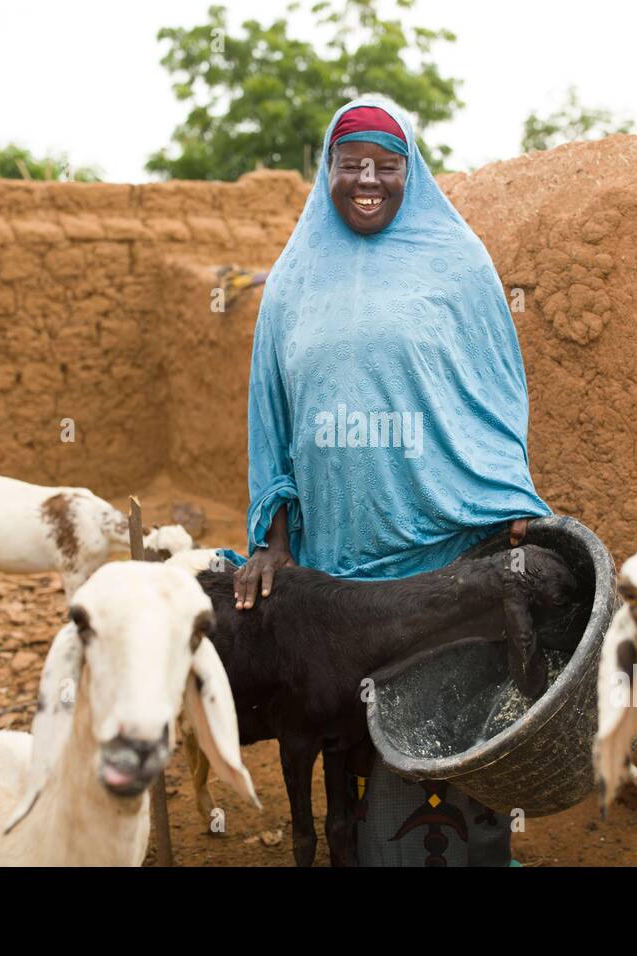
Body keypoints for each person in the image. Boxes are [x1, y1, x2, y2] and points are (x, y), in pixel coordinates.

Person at [234, 98, 551, 866]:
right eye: (353, 165)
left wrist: (506, 497)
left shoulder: (456, 262)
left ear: (410, 171)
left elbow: (496, 391)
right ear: (328, 172)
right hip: (339, 562)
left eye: (386, 165)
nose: (368, 181)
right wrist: (273, 542)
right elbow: (271, 416)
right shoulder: (295, 280)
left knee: (455, 731)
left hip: (443, 550)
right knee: (359, 737)